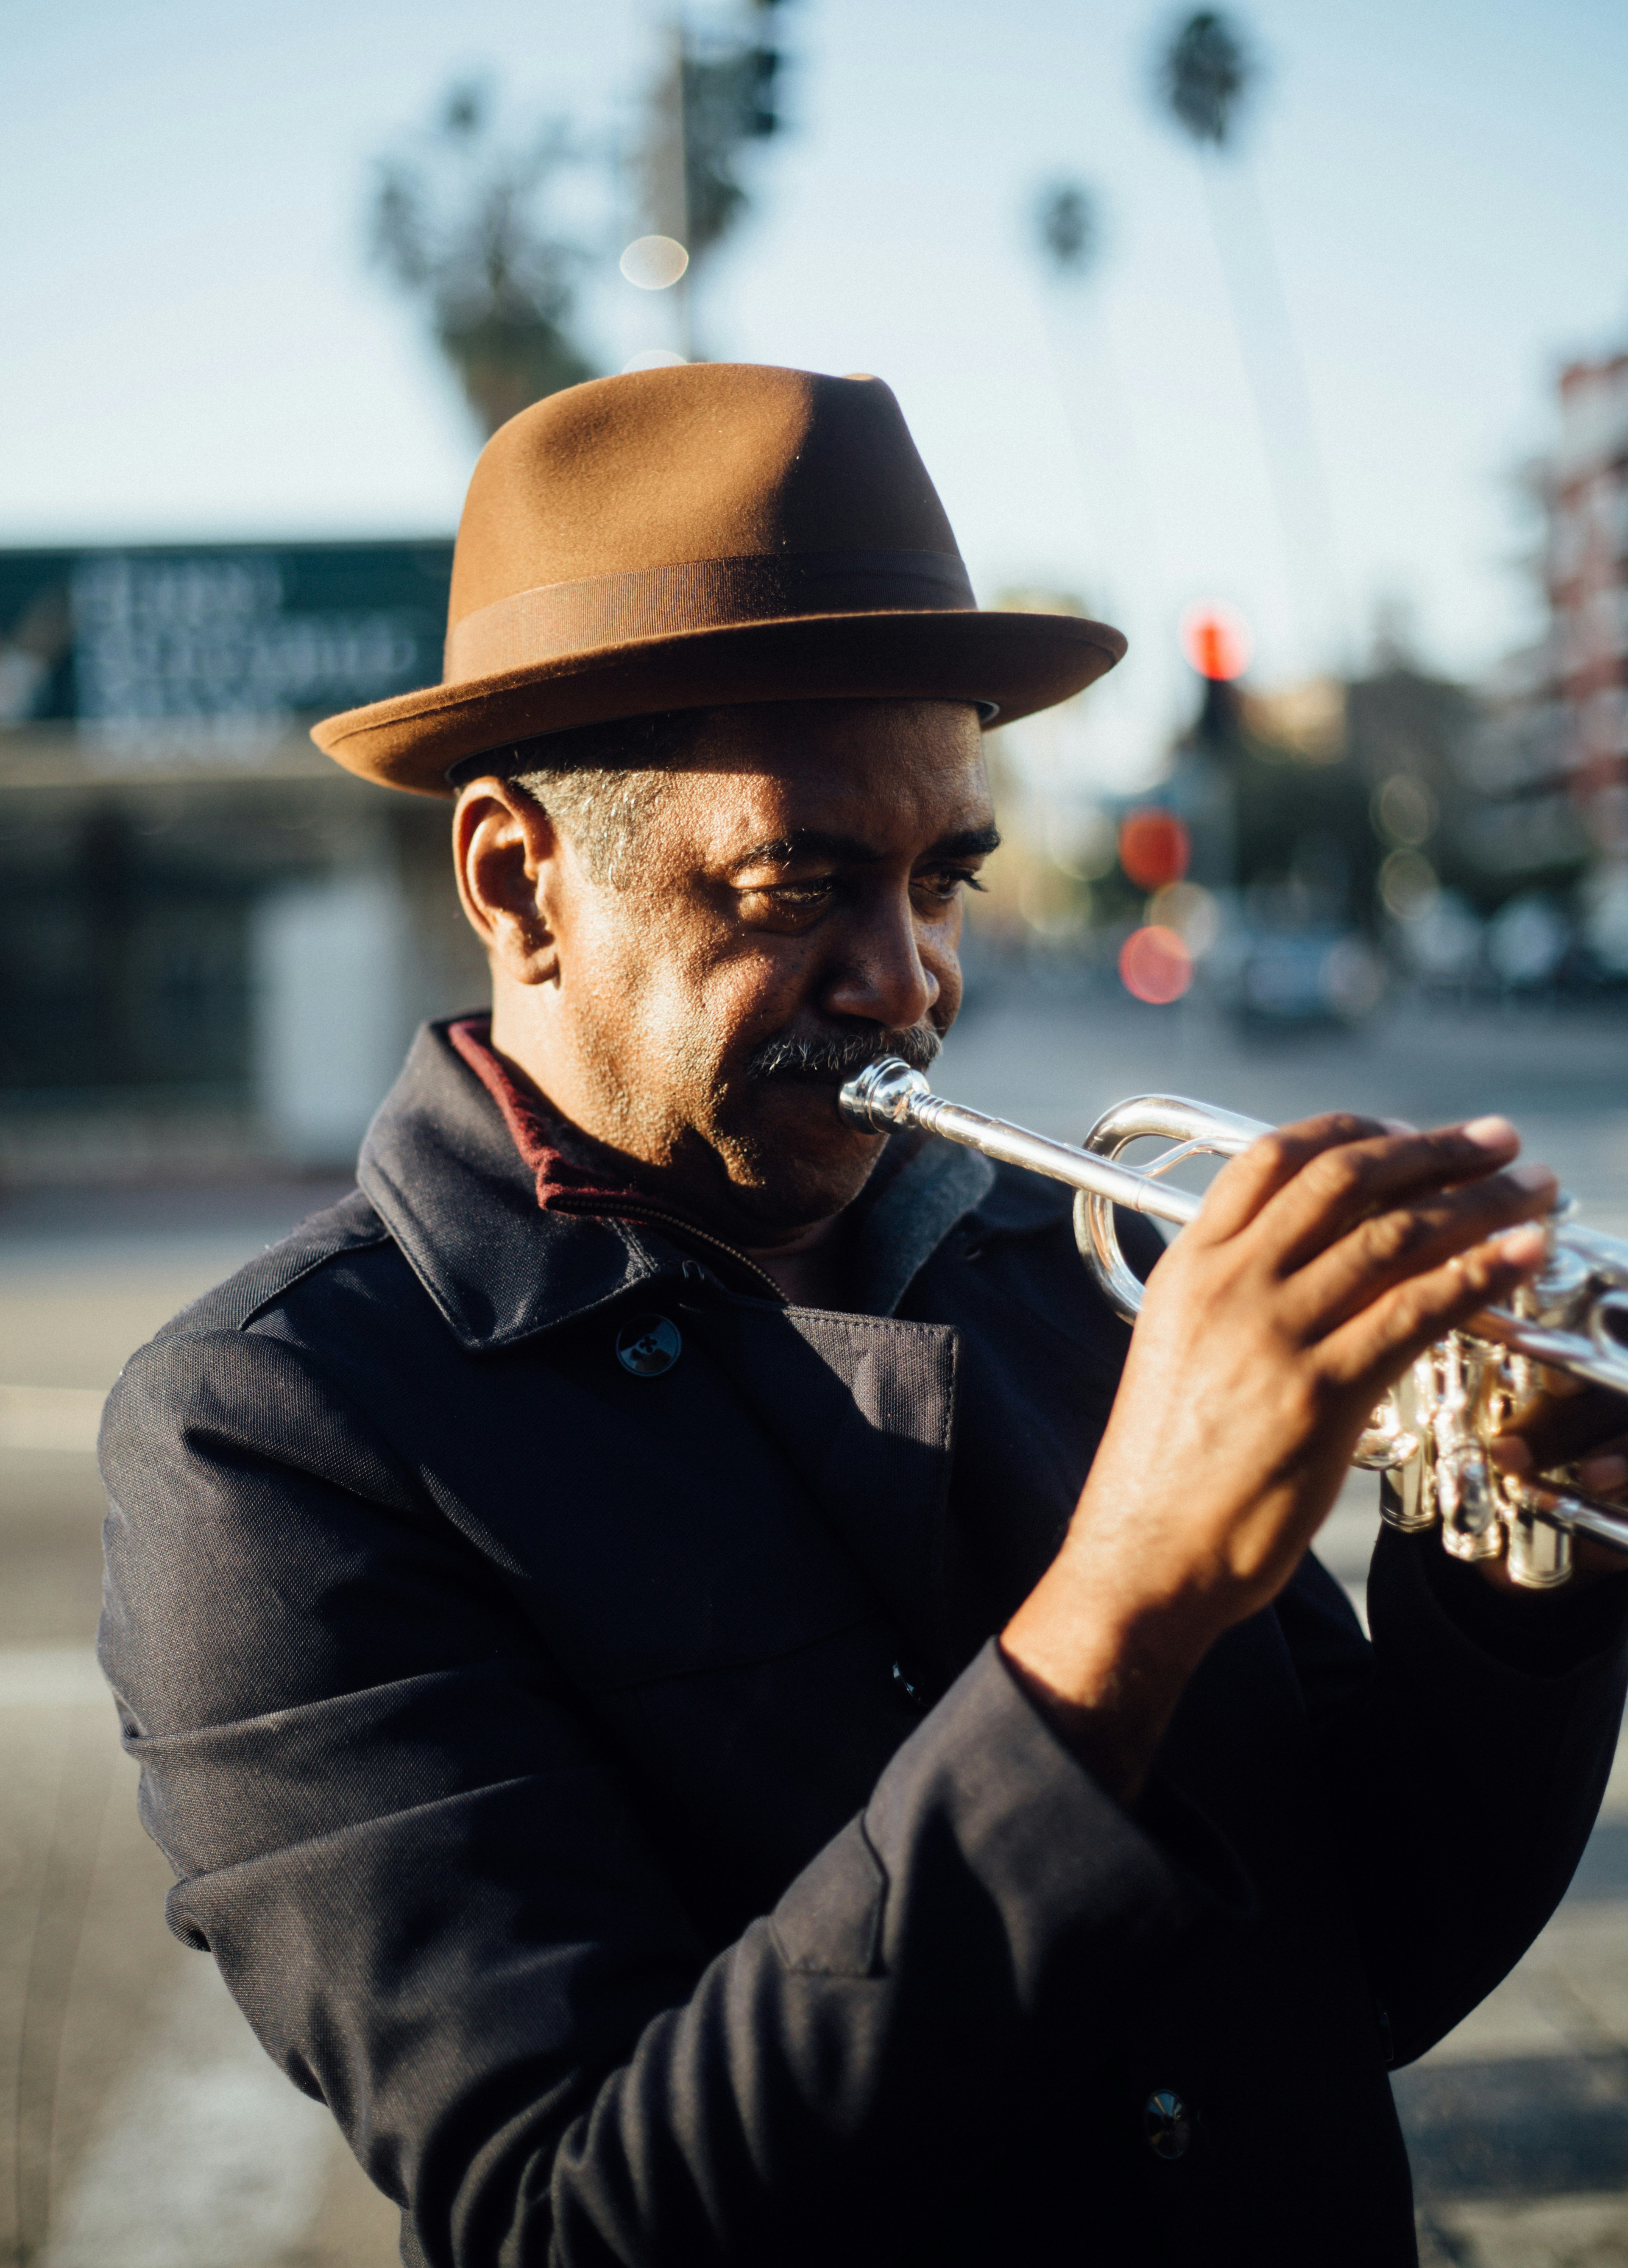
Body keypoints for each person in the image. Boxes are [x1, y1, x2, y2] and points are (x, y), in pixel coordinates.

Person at [100, 365, 1628, 2268]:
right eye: (799, 885)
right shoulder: (275, 1428)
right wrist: (1125, 1603)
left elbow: (1360, 1967)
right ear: (518, 880)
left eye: (943, 879)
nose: (905, 980)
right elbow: (576, 2220)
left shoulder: (1045, 1259)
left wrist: (1520, 1567)